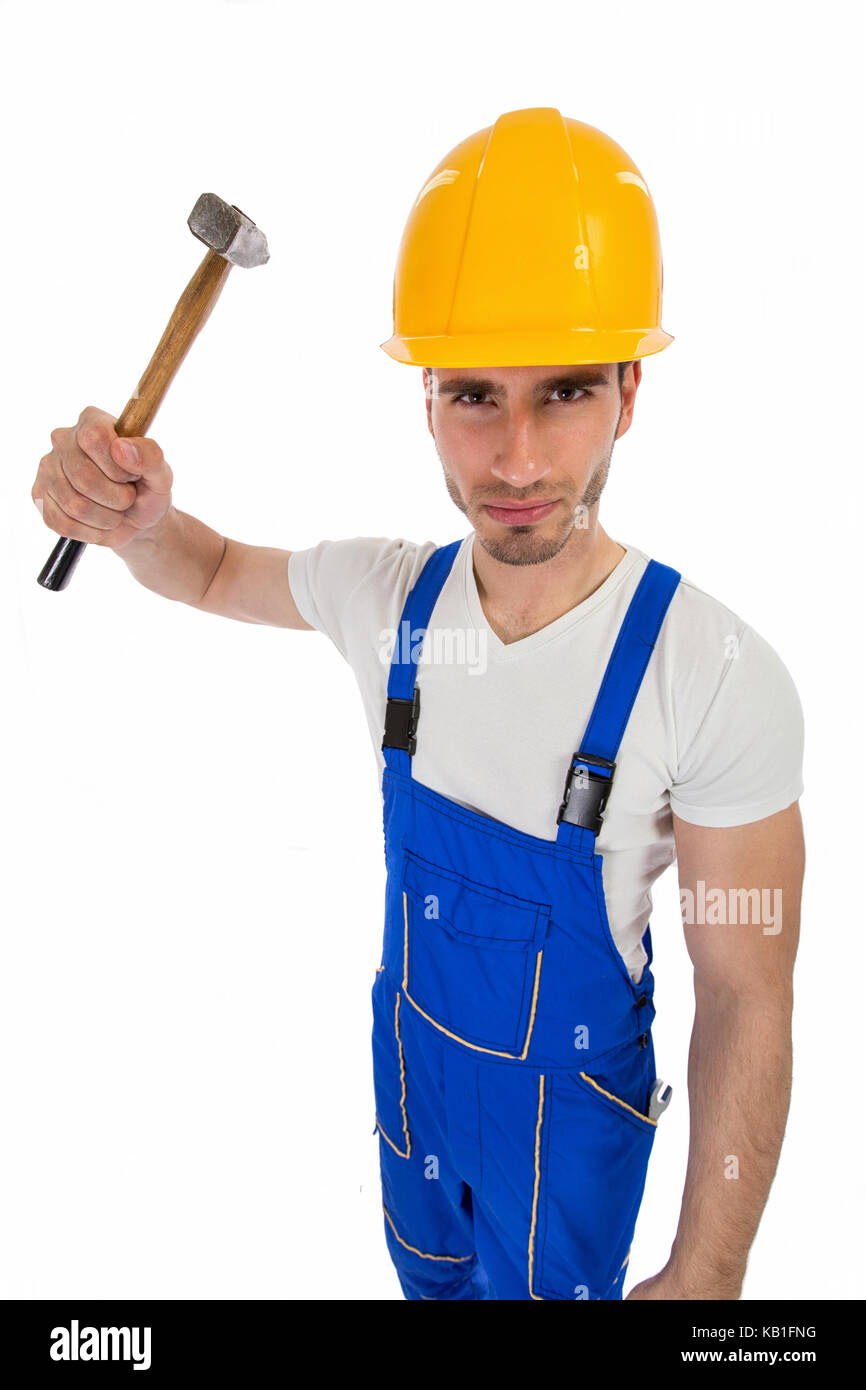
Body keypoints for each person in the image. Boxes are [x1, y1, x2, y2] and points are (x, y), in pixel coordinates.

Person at [32, 107, 805, 1301]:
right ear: (425, 397)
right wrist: (133, 521)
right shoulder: (386, 596)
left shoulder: (708, 674)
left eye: (562, 393)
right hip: (413, 1098)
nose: (514, 462)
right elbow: (214, 566)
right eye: (473, 397)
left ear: (628, 395)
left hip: (566, 1142)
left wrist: (706, 1274)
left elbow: (749, 993)